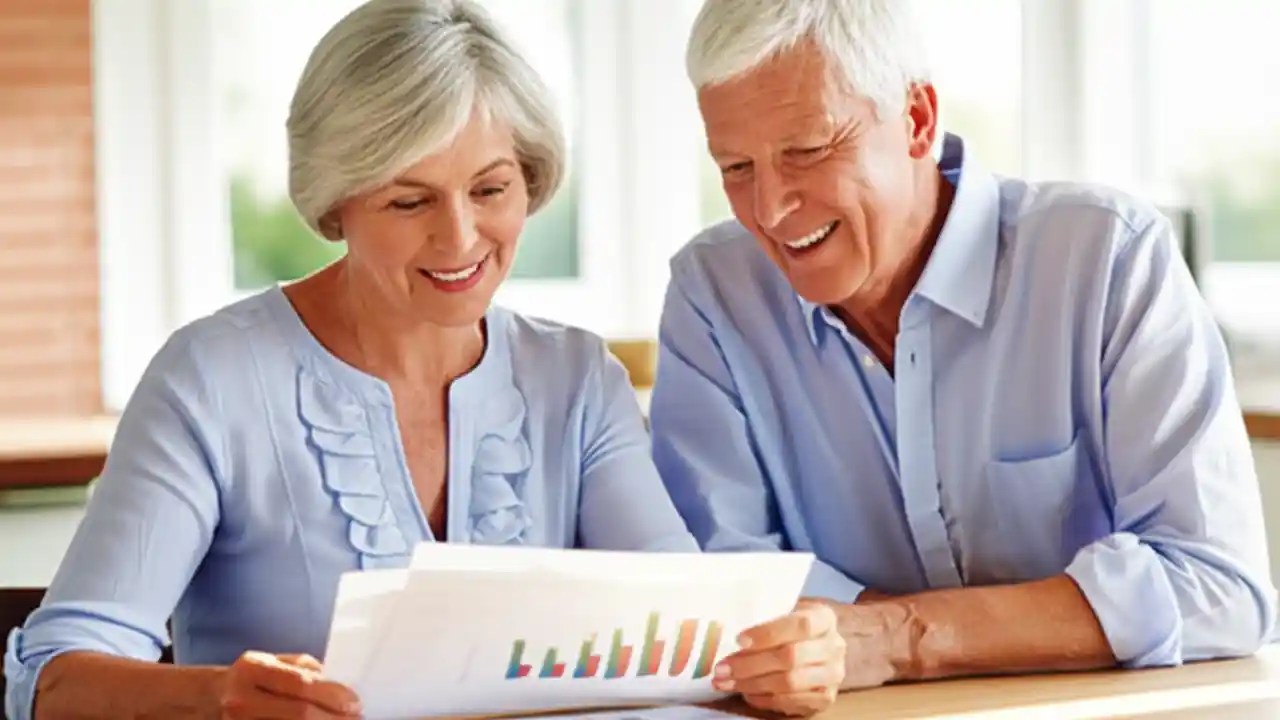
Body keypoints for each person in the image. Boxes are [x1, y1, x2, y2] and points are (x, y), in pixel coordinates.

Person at [3, 2, 844, 718]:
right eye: (409, 201)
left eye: (491, 190)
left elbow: (688, 635)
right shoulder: (211, 380)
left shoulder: (577, 381)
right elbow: (52, 674)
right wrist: (218, 696)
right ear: (336, 203)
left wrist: (781, 656)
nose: (459, 238)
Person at [653, 0, 1278, 708]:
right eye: (736, 166)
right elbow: (716, 581)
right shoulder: (714, 294)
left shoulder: (1107, 259)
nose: (769, 208)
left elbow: (1216, 587)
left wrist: (895, 638)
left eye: (807, 150)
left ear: (917, 120)